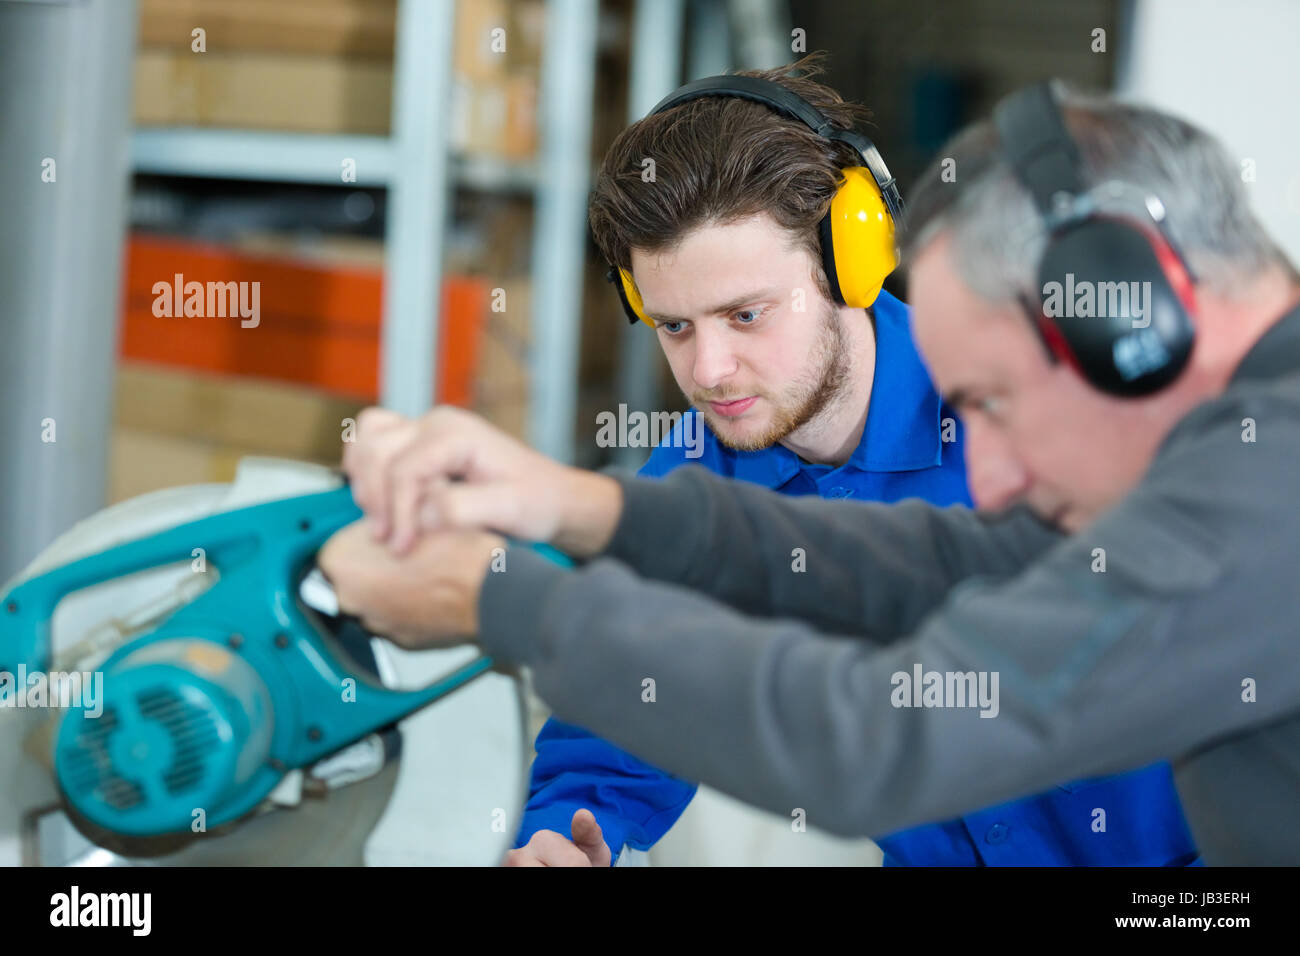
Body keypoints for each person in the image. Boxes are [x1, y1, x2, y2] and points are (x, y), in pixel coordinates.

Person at [319, 80, 1300, 865]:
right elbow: (940, 558)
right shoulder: (1201, 446)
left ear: (1128, 315)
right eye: (674, 327)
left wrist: (495, 596)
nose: (707, 370)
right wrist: (575, 505)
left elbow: (882, 736)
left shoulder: (1260, 485)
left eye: (747, 313)